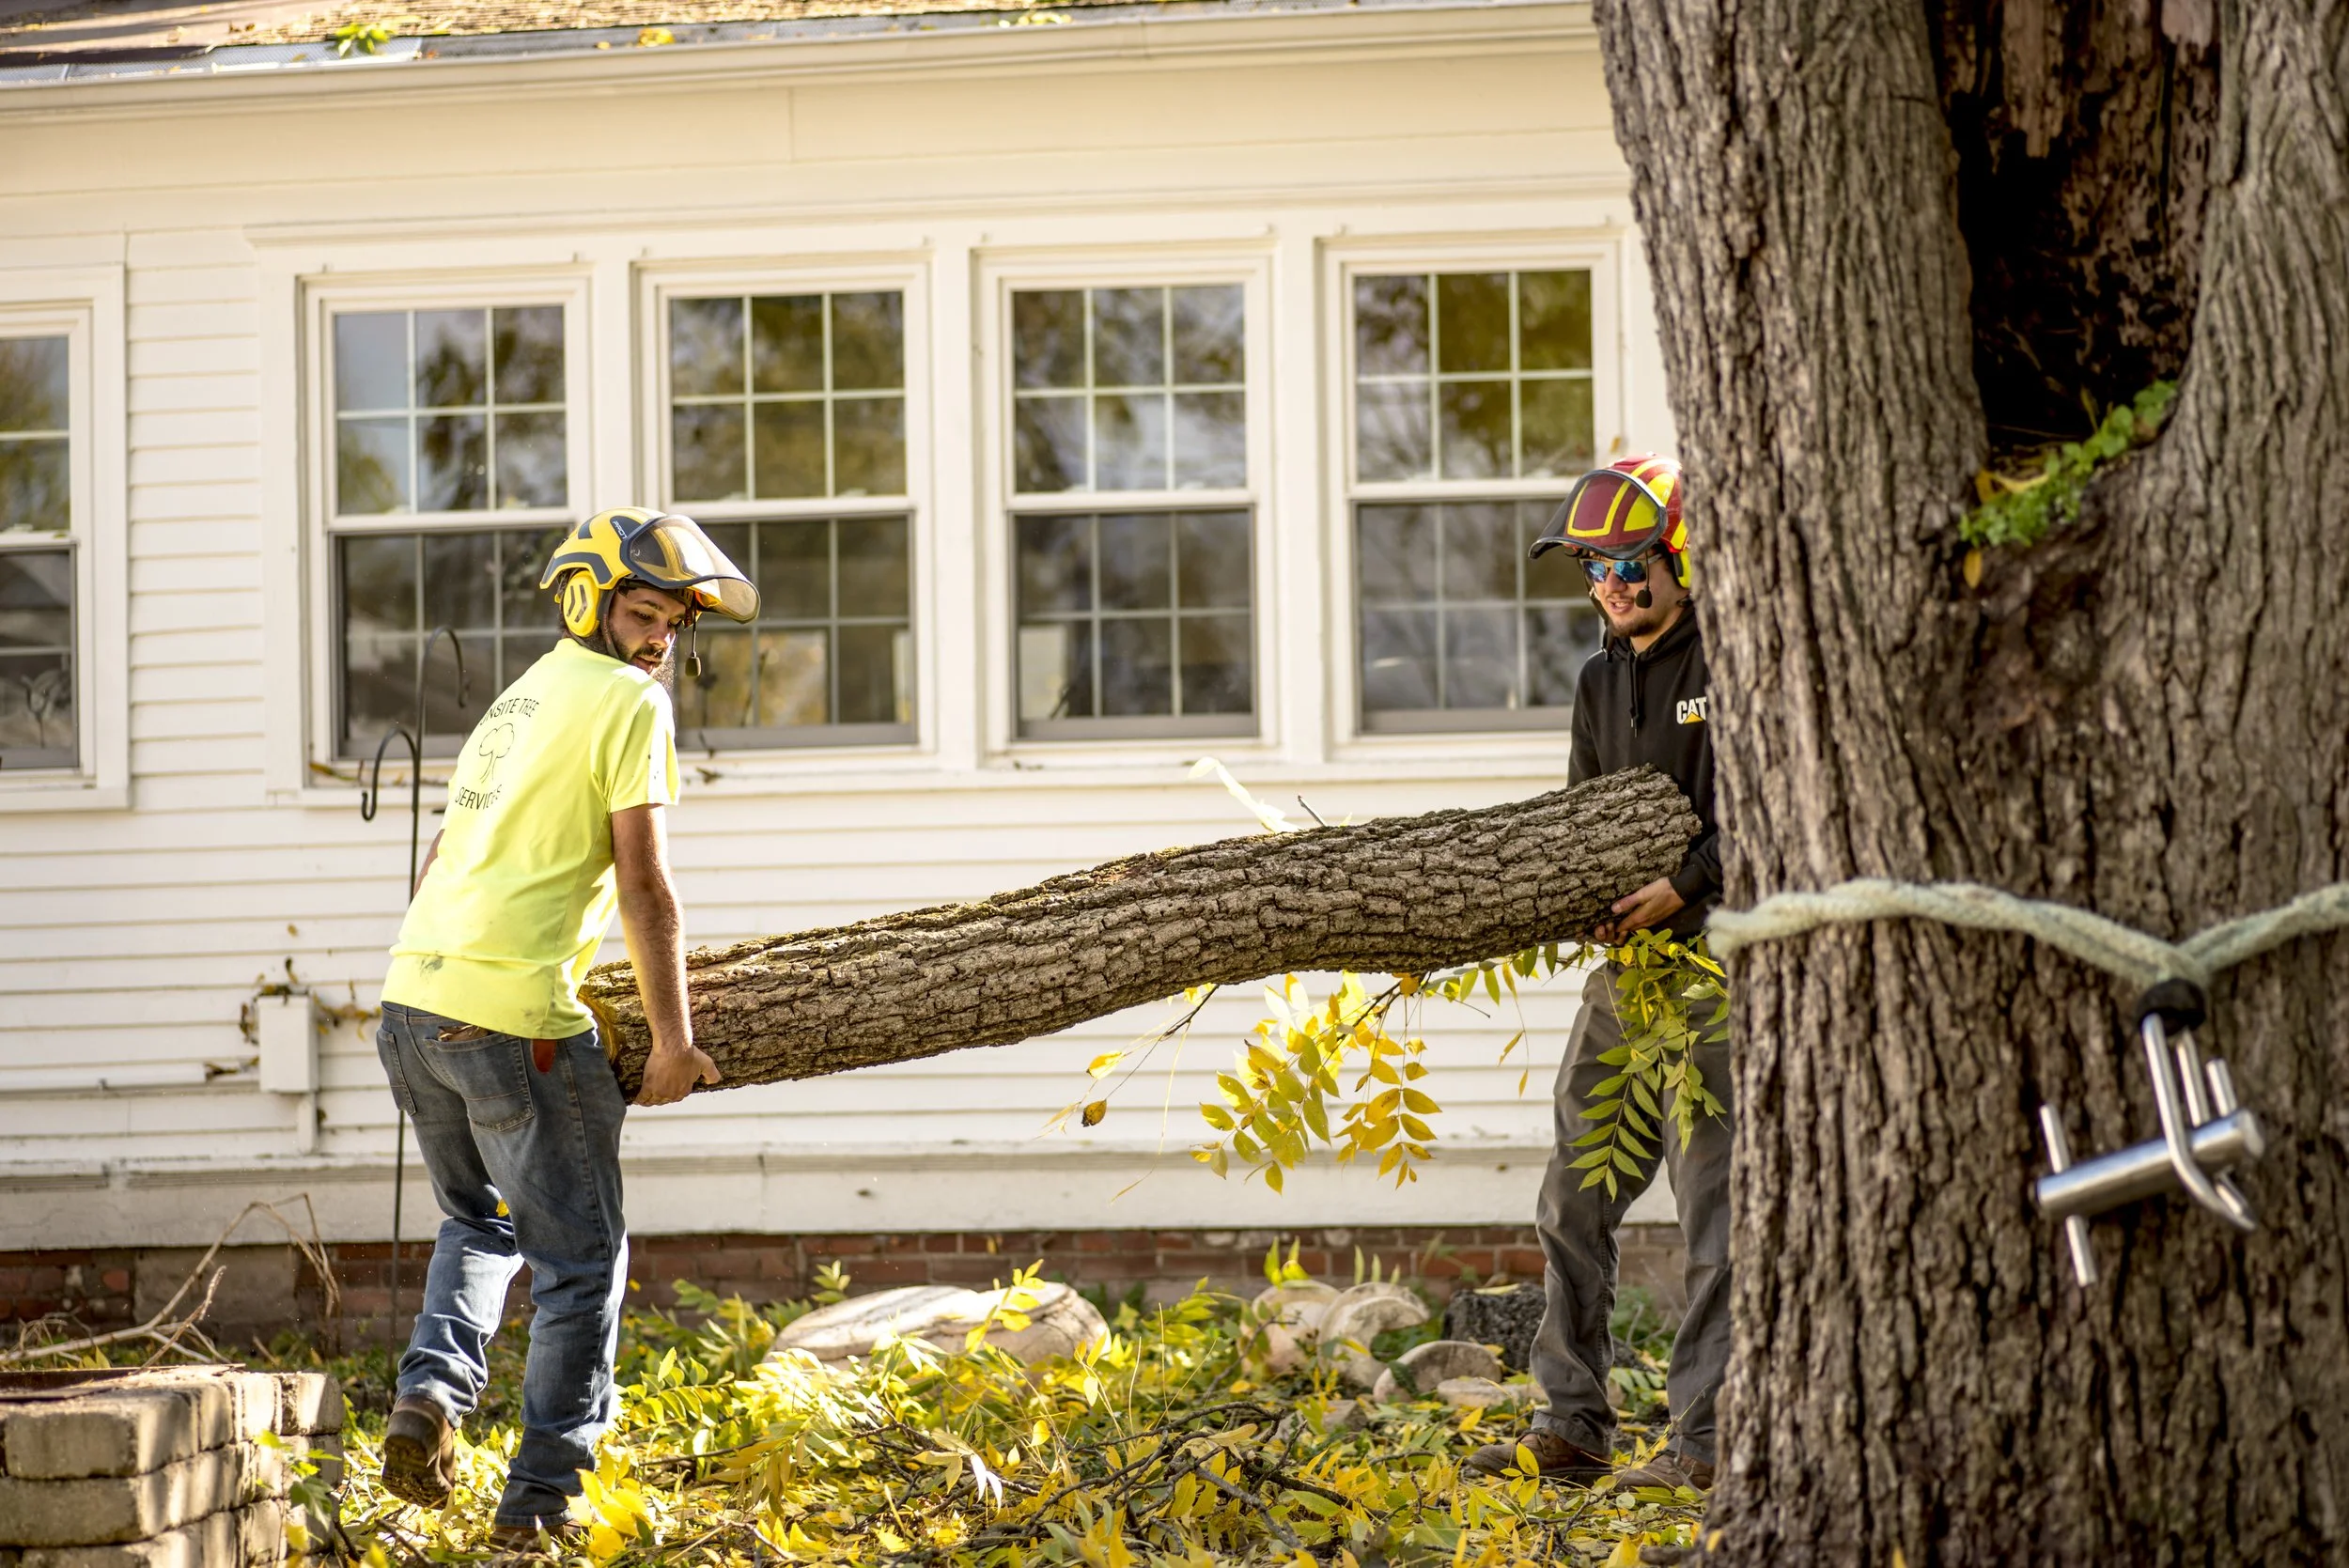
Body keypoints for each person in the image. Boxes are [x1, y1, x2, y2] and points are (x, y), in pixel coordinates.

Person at [371, 507, 758, 1541]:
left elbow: (441, 859)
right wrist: (674, 1042)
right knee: (580, 1265)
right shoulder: (629, 702)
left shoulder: (519, 697)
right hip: (517, 1025)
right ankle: (543, 1505)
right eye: (643, 614)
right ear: (589, 601)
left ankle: (429, 1396)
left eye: (673, 623)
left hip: (412, 1002)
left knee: (477, 1221)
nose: (659, 639)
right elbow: (644, 882)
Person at [1465, 454, 1728, 1493]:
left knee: (1714, 1209)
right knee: (1572, 1198)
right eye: (1591, 568)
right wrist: (1579, 899)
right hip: (1626, 978)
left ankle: (1708, 1440)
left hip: (1714, 971)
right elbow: (1584, 822)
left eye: (1627, 563)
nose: (1609, 586)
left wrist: (1687, 883)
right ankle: (1571, 1422)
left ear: (1678, 558)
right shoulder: (1595, 678)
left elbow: (1774, 812)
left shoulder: (1732, 665)